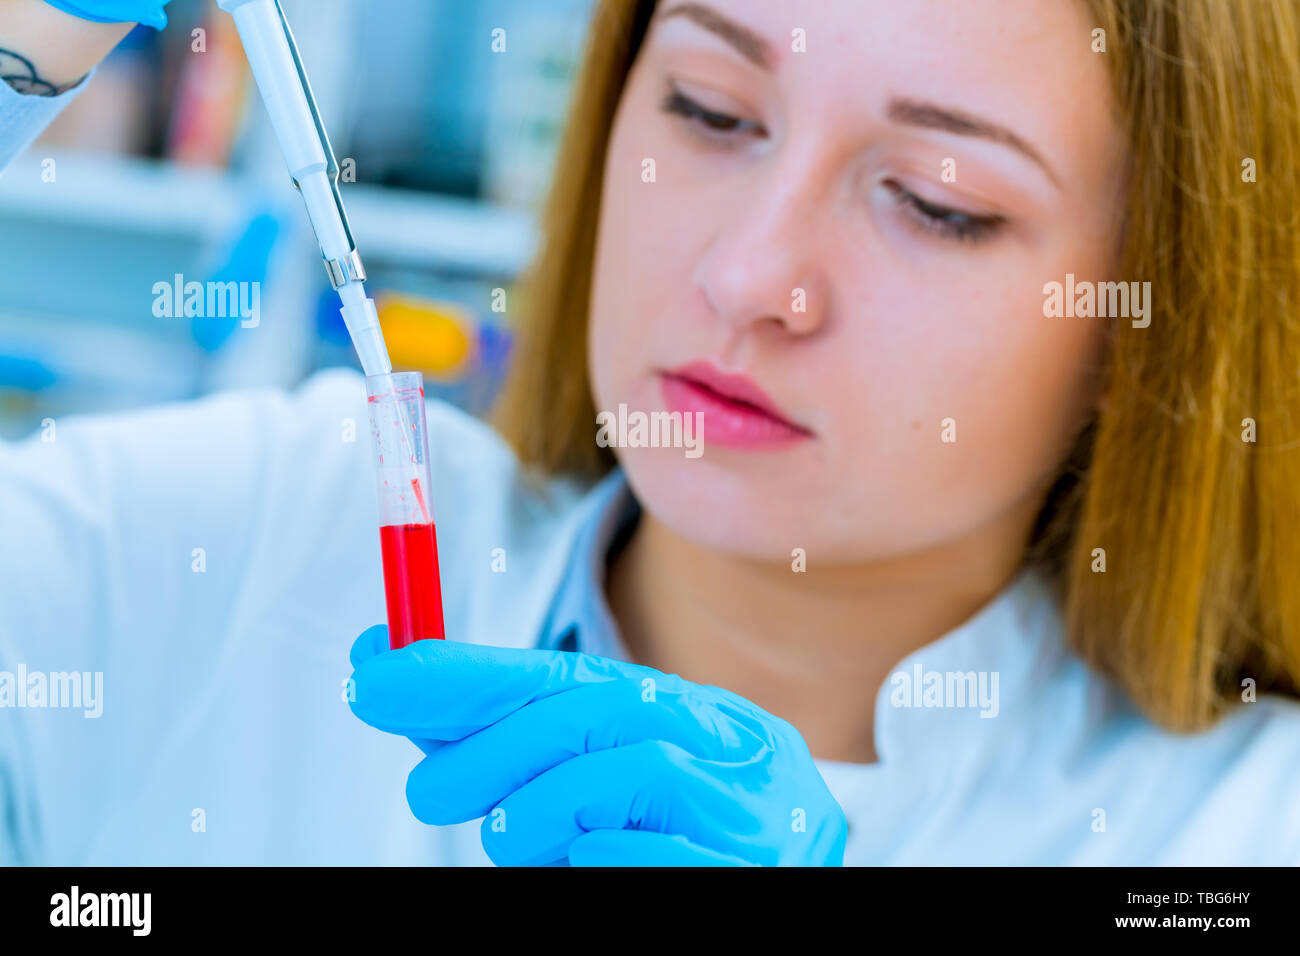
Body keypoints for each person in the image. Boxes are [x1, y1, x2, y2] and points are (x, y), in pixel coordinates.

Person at [1, 0, 1298, 866]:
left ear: (1151, 318)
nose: (749, 275)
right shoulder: (227, 543)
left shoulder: (1240, 834)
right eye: (712, 112)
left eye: (935, 201)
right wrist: (24, 45)